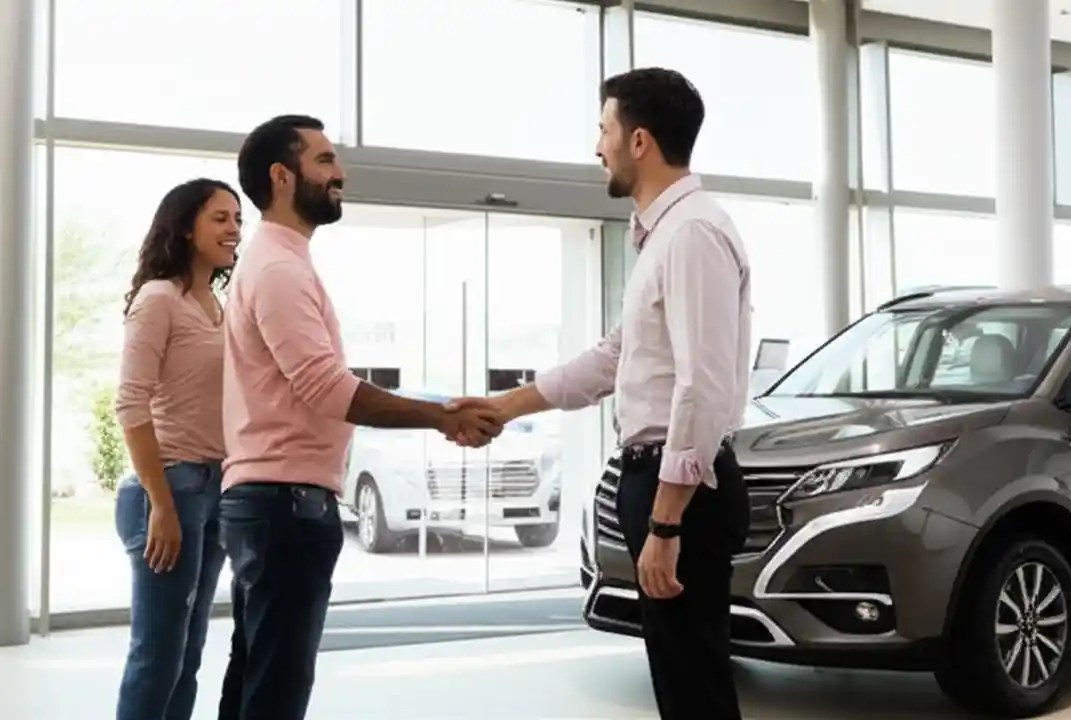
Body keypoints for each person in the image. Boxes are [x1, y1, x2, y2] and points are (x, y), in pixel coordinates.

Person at [450, 67, 753, 719]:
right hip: (663, 487)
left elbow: (703, 385)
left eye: (603, 129)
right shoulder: (661, 235)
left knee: (694, 686)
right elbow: (616, 356)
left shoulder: (693, 232)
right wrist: (505, 407)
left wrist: (667, 521)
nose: (597, 147)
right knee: (680, 682)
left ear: (639, 141)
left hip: (685, 499)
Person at [217, 114, 504, 720]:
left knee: (256, 676)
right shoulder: (276, 268)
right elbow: (327, 388)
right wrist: (440, 417)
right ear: (281, 176)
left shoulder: (281, 260)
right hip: (283, 506)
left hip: (275, 504)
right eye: (323, 160)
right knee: (274, 689)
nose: (340, 172)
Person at [113, 178, 243, 720]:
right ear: (186, 226)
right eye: (220, 218)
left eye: (238, 218)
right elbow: (130, 405)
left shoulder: (216, 305)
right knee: (157, 654)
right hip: (169, 488)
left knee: (188, 653)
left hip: (213, 487)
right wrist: (162, 504)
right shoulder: (158, 299)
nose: (234, 228)